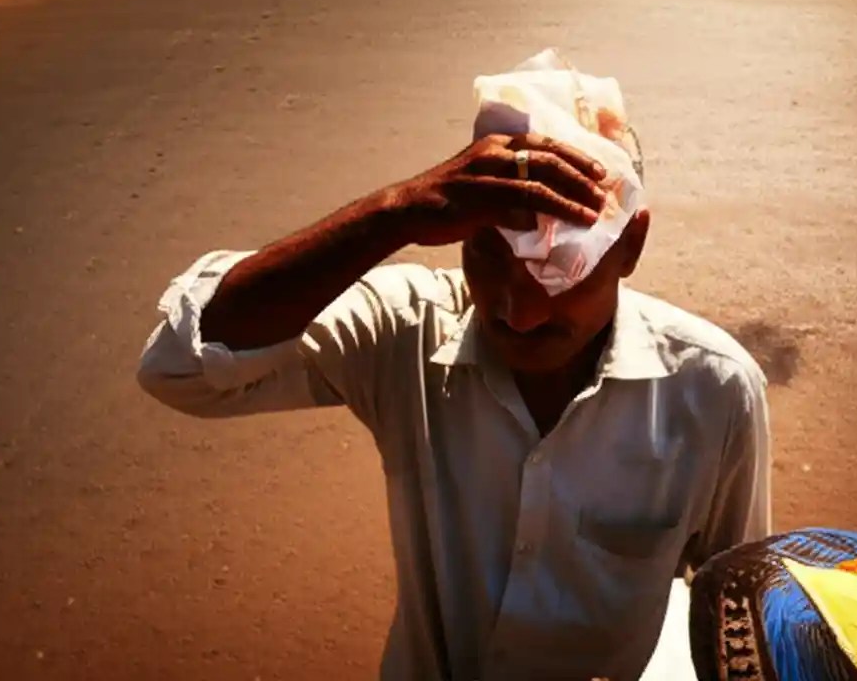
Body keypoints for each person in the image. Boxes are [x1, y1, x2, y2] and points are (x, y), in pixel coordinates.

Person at [136, 131, 772, 681]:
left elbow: (745, 608)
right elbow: (179, 366)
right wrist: (392, 213)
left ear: (630, 245)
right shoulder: (408, 328)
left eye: (560, 265)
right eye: (489, 254)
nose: (519, 312)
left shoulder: (714, 390)